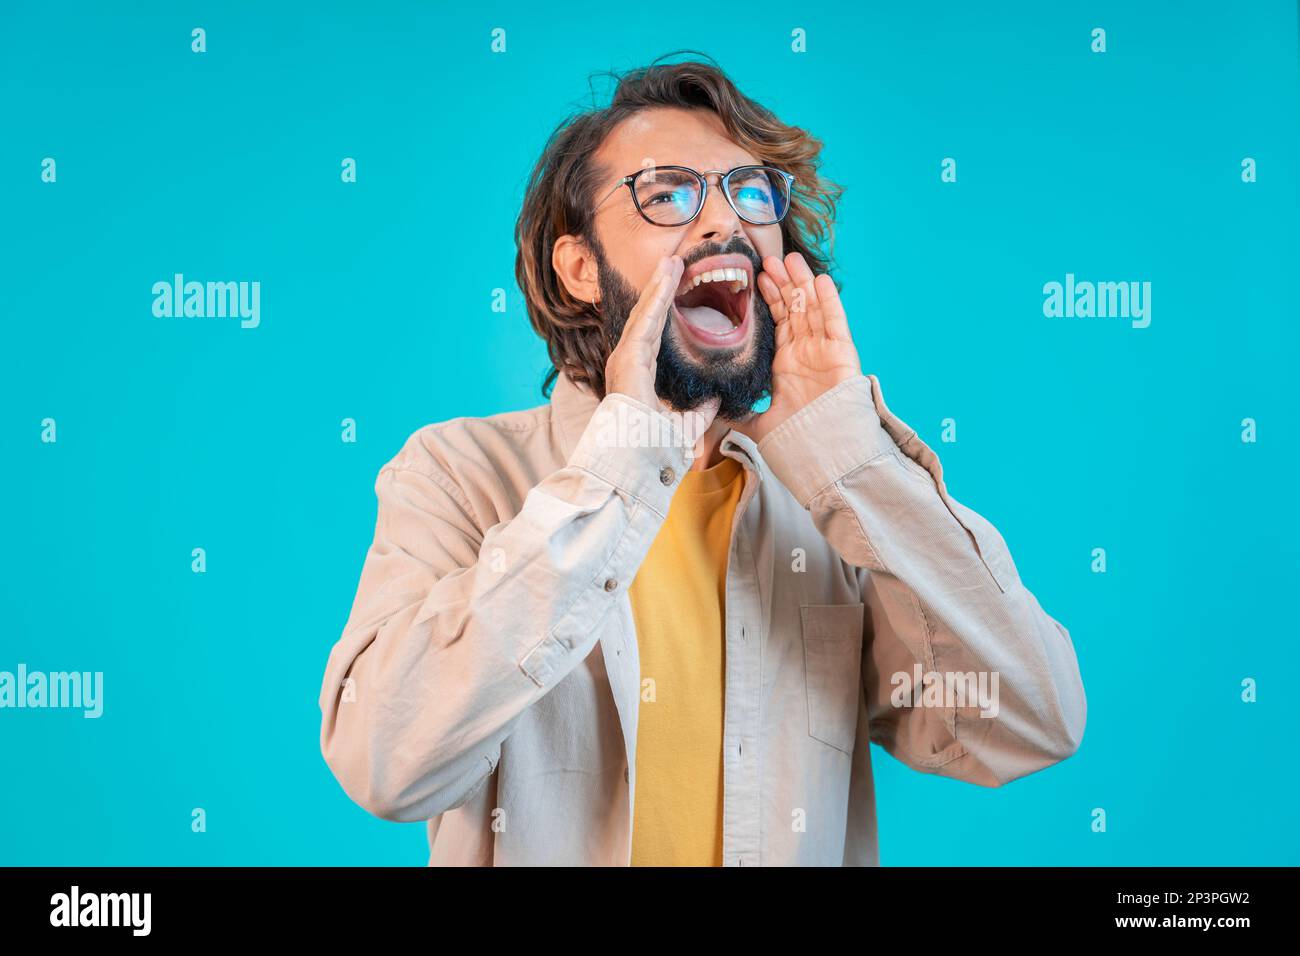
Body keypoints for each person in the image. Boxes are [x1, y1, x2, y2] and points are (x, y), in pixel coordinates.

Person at [317, 57, 1086, 866]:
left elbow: (1032, 721)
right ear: (581, 270)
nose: (726, 223)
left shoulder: (829, 512)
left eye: (751, 192)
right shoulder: (456, 474)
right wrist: (624, 460)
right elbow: (385, 762)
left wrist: (852, 457)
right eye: (669, 193)